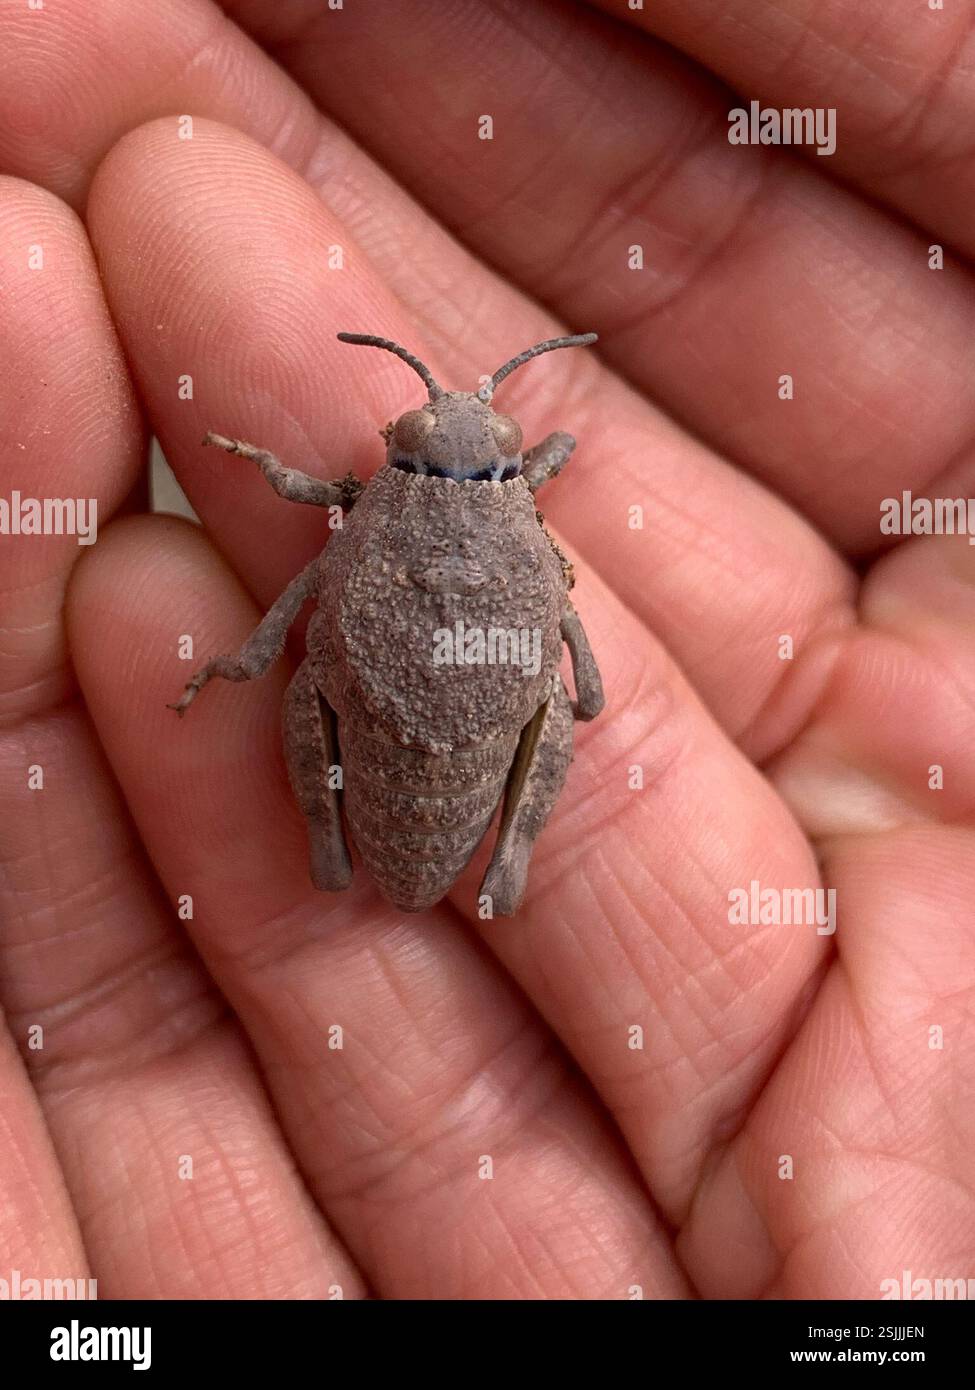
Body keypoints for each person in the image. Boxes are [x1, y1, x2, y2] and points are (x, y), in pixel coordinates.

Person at [0, 0, 972, 1300]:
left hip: (392, 724)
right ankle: (483, 854)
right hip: (476, 741)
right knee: (476, 689)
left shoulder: (359, 510)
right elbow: (588, 681)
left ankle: (360, 846)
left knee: (295, 664)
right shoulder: (520, 506)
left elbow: (311, 552)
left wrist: (249, 564)